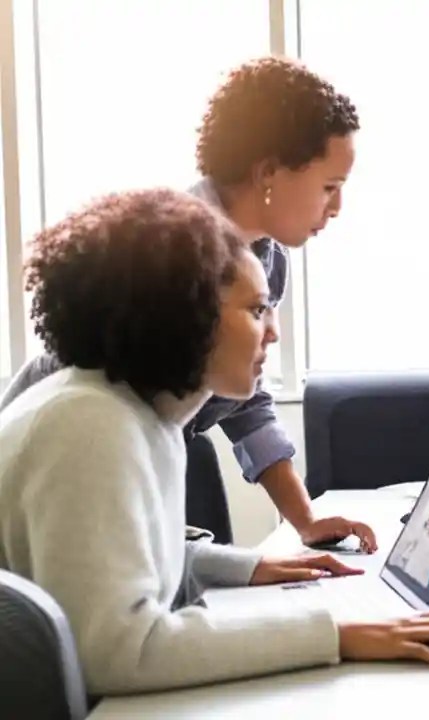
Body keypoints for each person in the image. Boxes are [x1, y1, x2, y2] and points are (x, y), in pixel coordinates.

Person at [0, 189, 429, 696]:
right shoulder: (90, 425)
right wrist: (337, 635)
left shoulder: (136, 414)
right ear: (182, 315)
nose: (271, 333)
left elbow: (129, 560)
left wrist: (250, 566)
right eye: (254, 310)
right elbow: (119, 652)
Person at [0, 56, 374, 551]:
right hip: (61, 460)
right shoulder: (169, 252)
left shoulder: (266, 256)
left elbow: (246, 395)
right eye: (330, 187)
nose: (337, 207)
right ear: (268, 172)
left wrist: (305, 521)